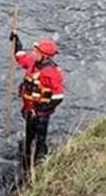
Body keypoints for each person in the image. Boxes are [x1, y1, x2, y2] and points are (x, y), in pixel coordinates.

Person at [10, 31, 65, 166]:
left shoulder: (51, 73)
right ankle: (27, 155)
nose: (33, 53)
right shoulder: (33, 64)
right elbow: (21, 57)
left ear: (44, 56)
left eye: (36, 52)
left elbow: (58, 96)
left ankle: (40, 161)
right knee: (29, 135)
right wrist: (16, 41)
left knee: (40, 138)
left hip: (40, 113)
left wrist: (41, 110)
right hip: (30, 109)